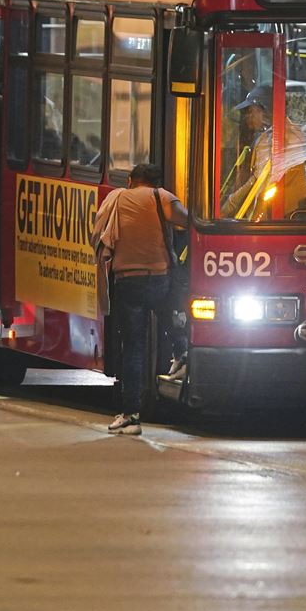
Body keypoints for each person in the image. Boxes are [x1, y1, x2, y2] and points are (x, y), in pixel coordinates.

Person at [92, 163, 187, 436]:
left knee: (133, 348)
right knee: (173, 315)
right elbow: (187, 221)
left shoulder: (118, 198)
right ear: (156, 182)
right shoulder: (162, 198)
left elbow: (98, 234)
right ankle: (181, 352)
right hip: (160, 278)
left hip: (128, 281)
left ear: (132, 180)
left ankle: (130, 416)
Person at [221, 84, 306, 219]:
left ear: (266, 111)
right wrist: (227, 207)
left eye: (251, 111)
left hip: (284, 217)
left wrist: (252, 222)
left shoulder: (284, 139)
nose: (248, 117)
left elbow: (264, 187)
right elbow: (255, 180)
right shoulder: (269, 136)